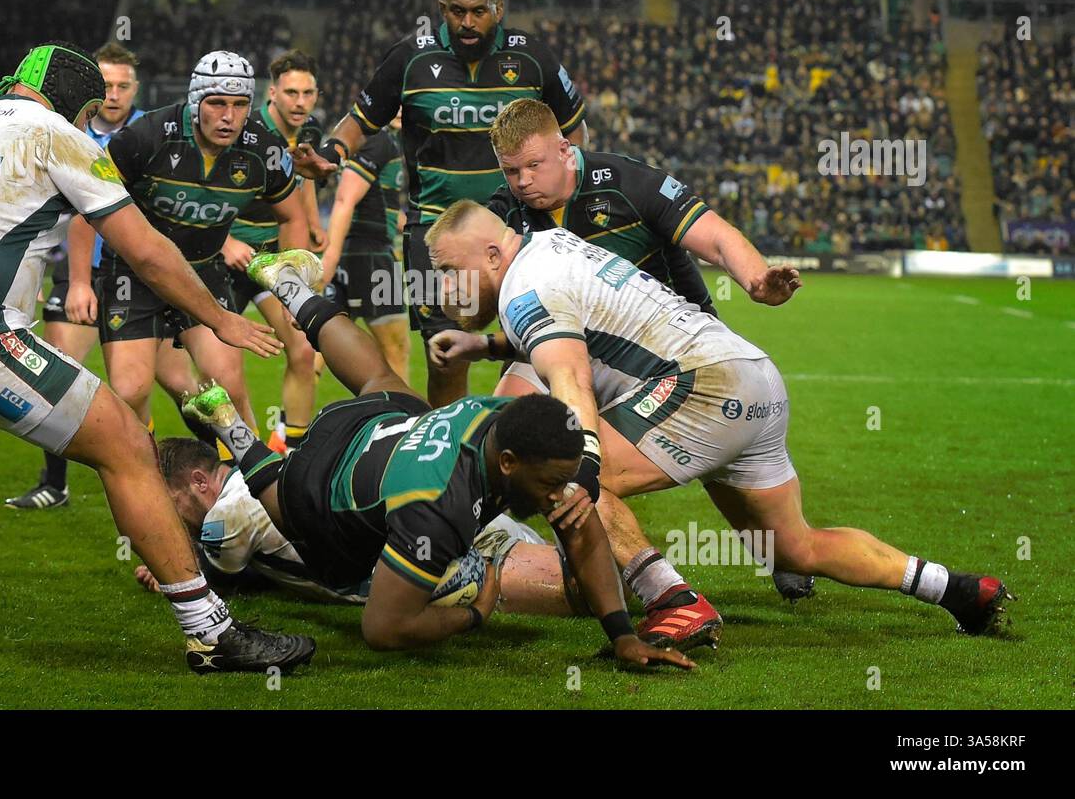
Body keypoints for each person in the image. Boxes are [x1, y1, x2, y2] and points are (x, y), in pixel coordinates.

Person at [0, 41, 315, 673]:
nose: (89, 122)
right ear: (74, 104)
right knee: (129, 447)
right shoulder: (56, 134)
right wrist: (220, 319)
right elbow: (146, 251)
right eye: (88, 111)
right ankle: (211, 633)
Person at [423, 200, 1014, 638]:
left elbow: (572, 377)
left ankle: (672, 599)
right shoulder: (550, 247)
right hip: (753, 376)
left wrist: (587, 470)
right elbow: (582, 325)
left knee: (565, 474)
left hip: (702, 387)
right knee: (795, 550)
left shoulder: (523, 292)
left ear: (493, 255)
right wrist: (488, 347)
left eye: (449, 269)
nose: (443, 286)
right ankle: (957, 589)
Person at [176, 248, 694, 669]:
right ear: (509, 463)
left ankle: (288, 284)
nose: (559, 493)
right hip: (325, 476)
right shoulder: (437, 510)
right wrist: (473, 616)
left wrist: (623, 635)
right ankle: (233, 429)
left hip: (379, 425)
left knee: (381, 379)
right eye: (554, 481)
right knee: (290, 509)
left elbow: (578, 523)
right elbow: (382, 630)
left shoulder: (497, 417)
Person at [481, 98, 814, 605]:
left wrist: (756, 280)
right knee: (511, 422)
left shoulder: (629, 182)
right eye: (511, 171)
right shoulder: (504, 213)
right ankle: (551, 556)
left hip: (671, 345)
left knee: (720, 469)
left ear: (566, 150)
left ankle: (778, 554)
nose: (522, 181)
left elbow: (717, 237)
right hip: (579, 343)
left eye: (533, 165)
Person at [298, 0, 588, 407]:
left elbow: (574, 130)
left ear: (499, 9)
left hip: (515, 230)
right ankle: (450, 448)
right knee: (446, 352)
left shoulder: (531, 58)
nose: (467, 22)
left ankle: (534, 438)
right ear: (442, 10)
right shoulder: (410, 57)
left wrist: (564, 188)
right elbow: (361, 120)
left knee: (541, 336)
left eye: (478, 11)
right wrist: (332, 154)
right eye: (457, 11)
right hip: (432, 230)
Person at [75, 51, 317, 449]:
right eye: (217, 103)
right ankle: (147, 477)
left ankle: (248, 486)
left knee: (231, 383)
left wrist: (293, 293)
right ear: (195, 101)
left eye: (240, 105)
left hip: (203, 270)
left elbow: (292, 217)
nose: (229, 116)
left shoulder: (263, 150)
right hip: (131, 274)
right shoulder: (144, 138)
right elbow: (88, 208)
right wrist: (80, 282)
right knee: (130, 390)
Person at [137, 436, 590, 617]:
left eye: (166, 502)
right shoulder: (253, 473)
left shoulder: (224, 518)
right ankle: (640, 574)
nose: (162, 516)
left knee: (577, 589)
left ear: (199, 482)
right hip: (428, 505)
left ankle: (646, 590)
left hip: (416, 554)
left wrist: (172, 565)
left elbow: (222, 582)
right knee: (578, 566)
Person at [6, 41, 178, 509]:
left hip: (135, 274)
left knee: (150, 386)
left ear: (136, 88)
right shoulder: (61, 131)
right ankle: (54, 484)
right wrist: (77, 279)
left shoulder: (151, 135)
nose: (115, 94)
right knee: (55, 373)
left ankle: (156, 480)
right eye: (106, 86)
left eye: (124, 85)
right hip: (79, 269)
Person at [224, 51, 324, 453]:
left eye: (309, 93)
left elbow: (306, 176)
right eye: (292, 93)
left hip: (270, 255)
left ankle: (289, 452)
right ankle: (239, 462)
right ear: (273, 93)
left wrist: (314, 223)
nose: (301, 102)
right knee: (226, 370)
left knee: (304, 349)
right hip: (225, 255)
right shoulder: (244, 128)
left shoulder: (308, 131)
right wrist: (224, 240)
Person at [320, 109, 409, 380]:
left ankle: (290, 422)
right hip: (372, 257)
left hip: (353, 251)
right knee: (396, 348)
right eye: (394, 103)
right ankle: (404, 420)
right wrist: (329, 260)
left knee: (318, 349)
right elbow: (345, 199)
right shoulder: (379, 140)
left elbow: (375, 202)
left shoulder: (362, 139)